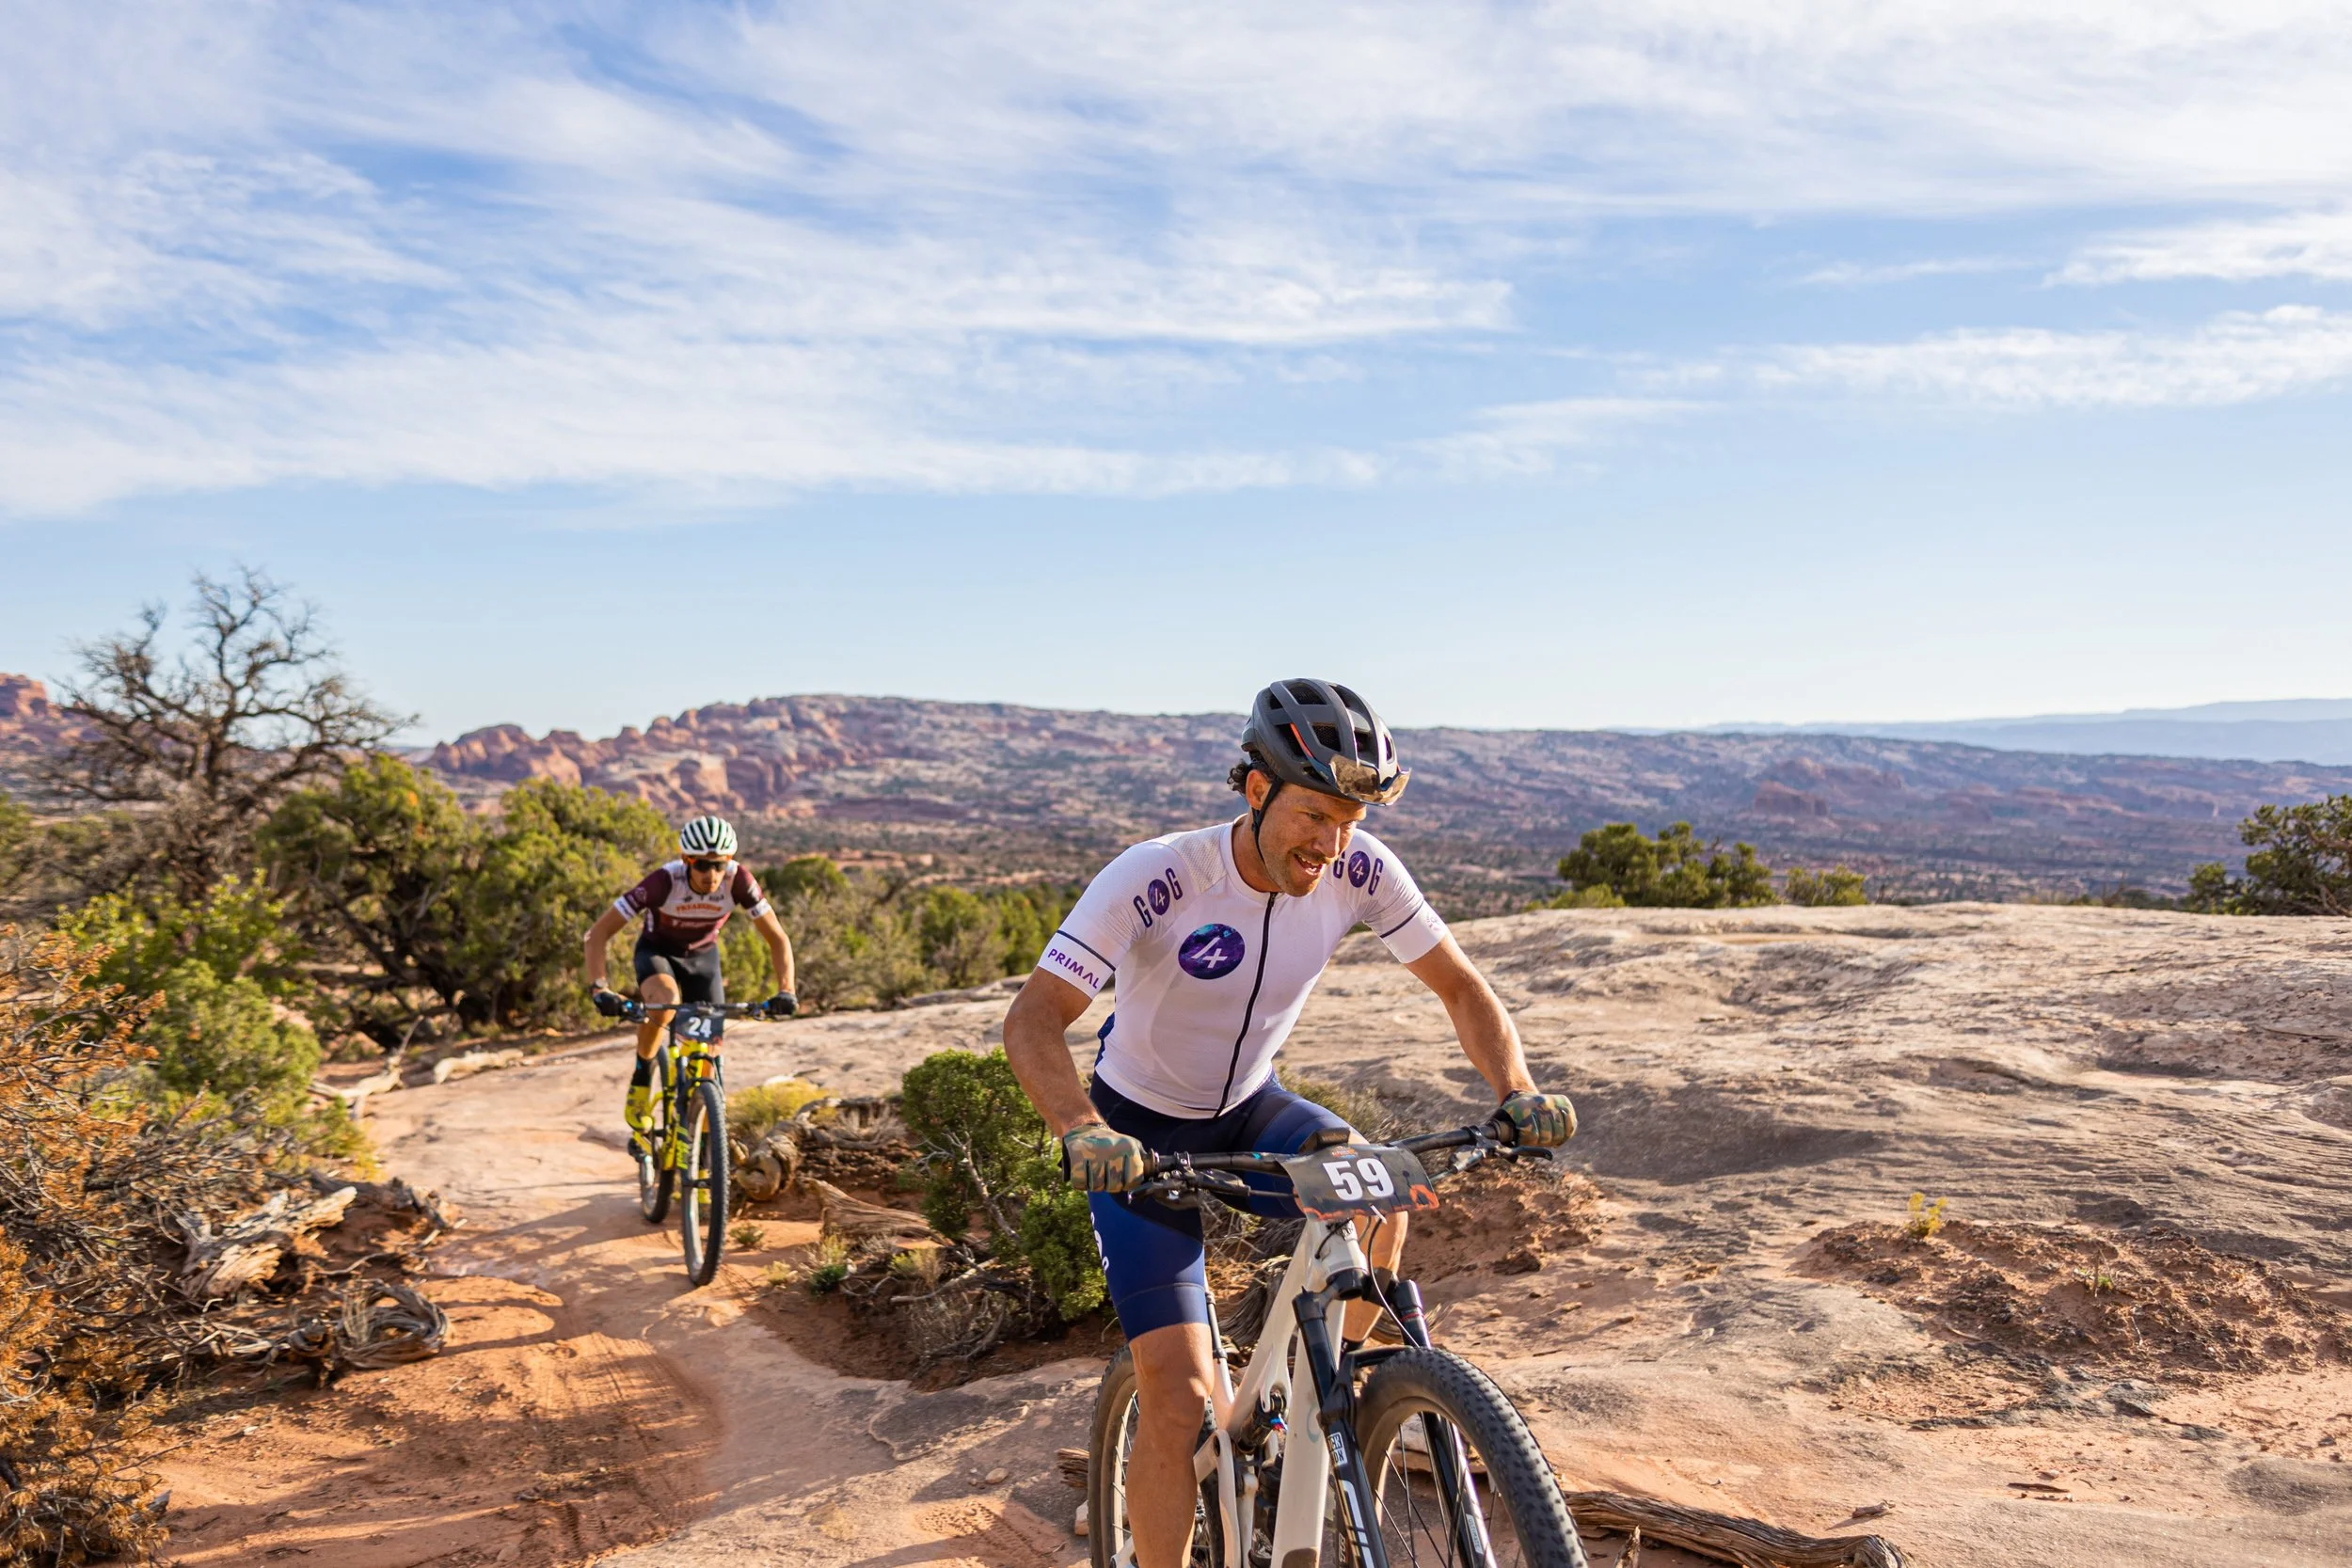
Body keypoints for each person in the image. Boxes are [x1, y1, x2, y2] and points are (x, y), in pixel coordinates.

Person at [1001, 678, 1577, 1568]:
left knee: (1380, 1194)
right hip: (1134, 1132)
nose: (1332, 844)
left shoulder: (1360, 869)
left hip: (1252, 1104)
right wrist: (1080, 1127)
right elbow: (1034, 1019)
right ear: (1257, 787)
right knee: (1179, 1400)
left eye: (1350, 820)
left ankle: (1320, 1409)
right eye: (1315, 815)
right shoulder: (1161, 874)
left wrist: (1517, 1086)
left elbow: (1461, 986)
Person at [581, 814, 797, 1148]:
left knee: (708, 1058)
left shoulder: (739, 881)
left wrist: (787, 990)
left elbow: (778, 938)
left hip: (702, 958)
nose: (712, 875)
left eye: (719, 865)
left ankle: (707, 1149)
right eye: (702, 865)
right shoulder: (663, 882)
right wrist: (599, 988)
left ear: (729, 861)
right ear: (686, 860)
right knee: (664, 1002)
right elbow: (597, 934)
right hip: (658, 953)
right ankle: (642, 1073)